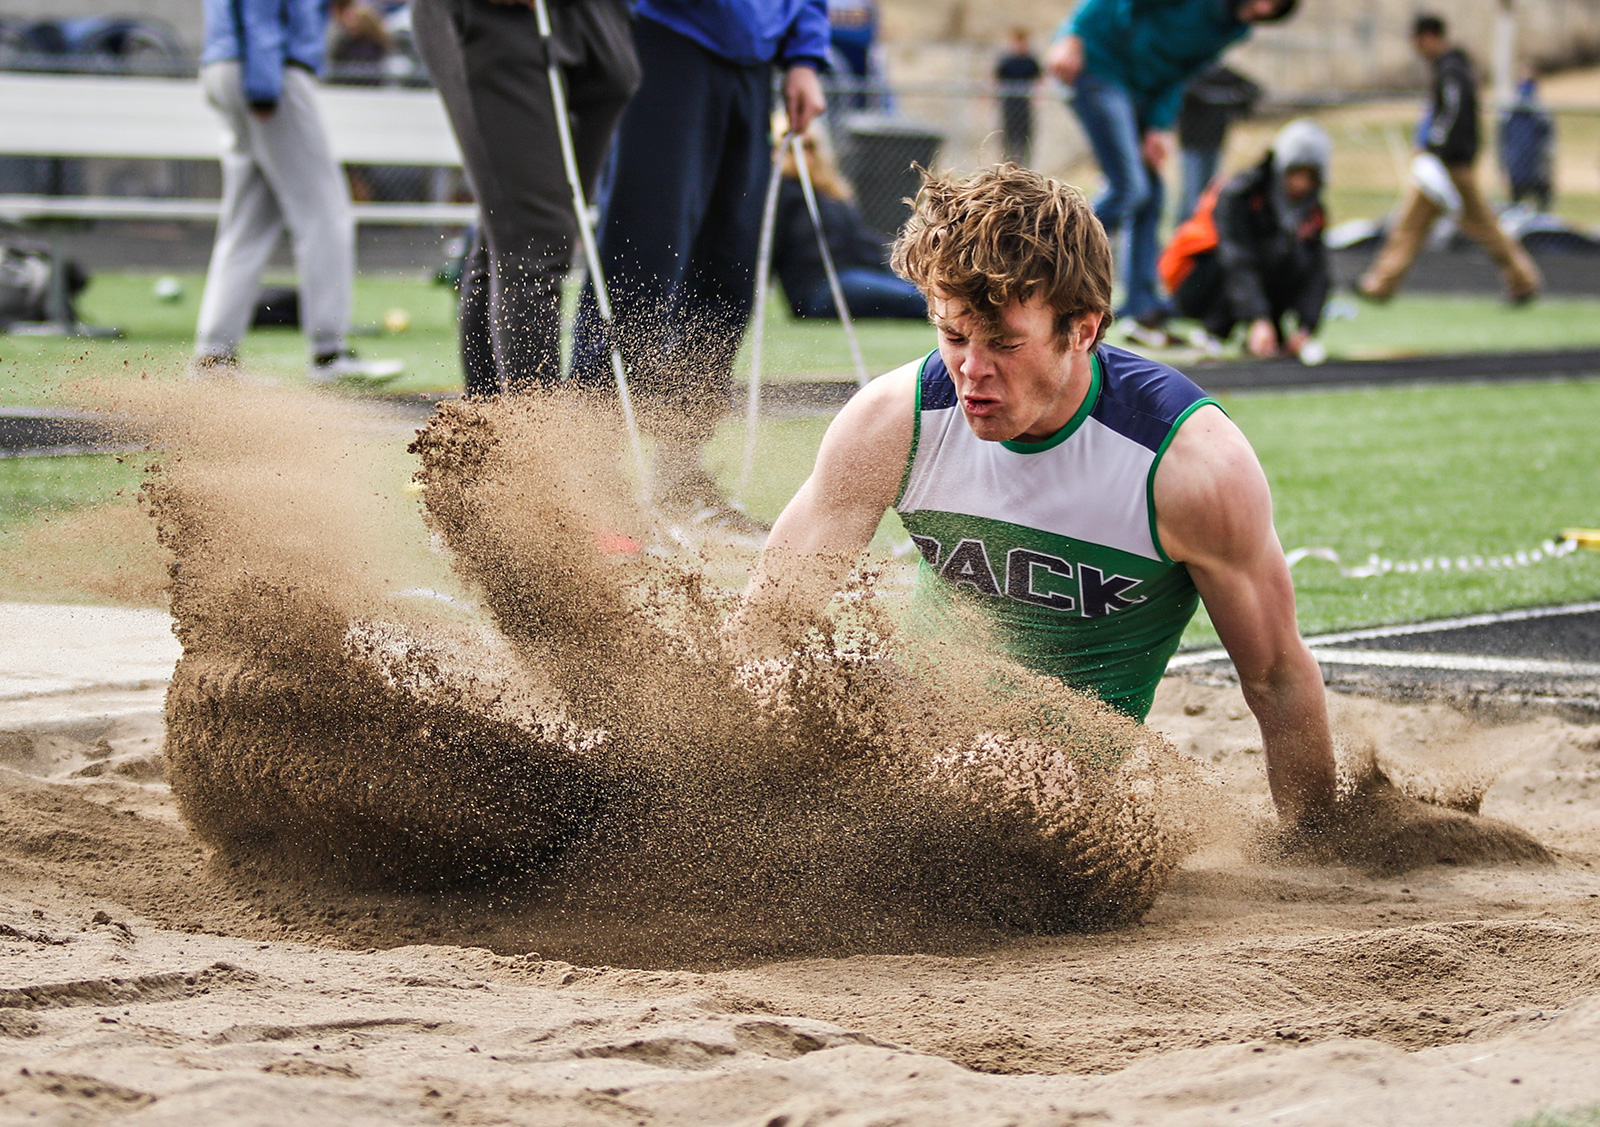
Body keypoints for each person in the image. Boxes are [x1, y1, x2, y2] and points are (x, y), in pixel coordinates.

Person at [730, 165, 1338, 830]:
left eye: (1004, 343)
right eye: (954, 336)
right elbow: (766, 624)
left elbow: (1277, 678)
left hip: (1049, 806)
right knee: (806, 695)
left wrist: (1316, 855)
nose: (972, 370)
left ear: (1083, 328)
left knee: (997, 783)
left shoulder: (1189, 466)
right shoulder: (890, 421)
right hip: (905, 746)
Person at [568, 0, 829, 522]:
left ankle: (678, 472)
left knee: (727, 274)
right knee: (641, 258)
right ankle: (589, 474)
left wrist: (804, 54)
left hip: (754, 59)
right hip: (667, 37)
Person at [411, 0, 639, 398]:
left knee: (516, 233)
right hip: (494, 17)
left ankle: (489, 435)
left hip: (596, 17)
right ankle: (535, 450)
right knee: (535, 241)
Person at [1044, 0, 1298, 343]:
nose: (1264, 6)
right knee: (1129, 188)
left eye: (1275, 6)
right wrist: (1072, 35)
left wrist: (1157, 126)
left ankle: (1142, 310)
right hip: (1100, 66)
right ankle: (1041, 260)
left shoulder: (1233, 29)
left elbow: (1182, 75)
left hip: (1141, 94)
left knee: (1152, 195)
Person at [194, 0, 401, 382]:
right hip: (268, 68)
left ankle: (213, 357)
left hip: (229, 61)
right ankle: (329, 353)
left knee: (250, 220)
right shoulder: (267, 70)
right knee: (327, 213)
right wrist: (263, 85)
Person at [1357, 13, 1541, 305]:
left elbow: (1452, 113)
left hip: (1450, 165)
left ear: (1429, 37)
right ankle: (1380, 283)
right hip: (1445, 163)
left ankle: (1524, 279)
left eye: (1417, 41)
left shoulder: (1451, 70)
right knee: (1412, 225)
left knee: (1477, 226)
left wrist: (1435, 144)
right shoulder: (1450, 68)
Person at [1162, 119, 1329, 359]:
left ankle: (1272, 333)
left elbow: (1317, 272)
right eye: (1295, 173)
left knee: (1292, 255)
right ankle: (1216, 328)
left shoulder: (1311, 212)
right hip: (1197, 280)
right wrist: (1257, 317)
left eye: (1309, 177)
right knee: (1251, 255)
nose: (1300, 184)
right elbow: (1236, 260)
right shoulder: (1239, 195)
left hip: (1250, 286)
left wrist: (1306, 327)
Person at [771, 132, 926, 321]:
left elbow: (861, 240)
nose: (802, 155)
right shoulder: (781, 193)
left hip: (855, 273)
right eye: (791, 149)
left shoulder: (832, 193)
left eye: (809, 146)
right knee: (914, 299)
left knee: (921, 287)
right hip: (819, 288)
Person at [1175, 63, 1262, 223]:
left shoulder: (1222, 73)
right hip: (1192, 144)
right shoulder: (1188, 72)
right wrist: (1229, 97)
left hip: (1215, 143)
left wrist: (1235, 100)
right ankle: (1181, 240)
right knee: (1191, 200)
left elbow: (1255, 90)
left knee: (1209, 197)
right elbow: (1195, 94)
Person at [1499, 72, 1555, 213]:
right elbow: (1549, 145)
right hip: (1535, 171)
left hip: (1519, 170)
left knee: (1516, 208)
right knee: (1542, 210)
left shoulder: (1510, 112)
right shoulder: (1539, 112)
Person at [994, 28, 1043, 166]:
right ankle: (1006, 166)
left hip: (1025, 105)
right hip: (1009, 104)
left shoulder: (1030, 61)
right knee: (1007, 138)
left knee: (1025, 138)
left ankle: (1024, 168)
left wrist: (1037, 99)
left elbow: (1039, 80)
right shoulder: (1006, 61)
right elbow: (995, 80)